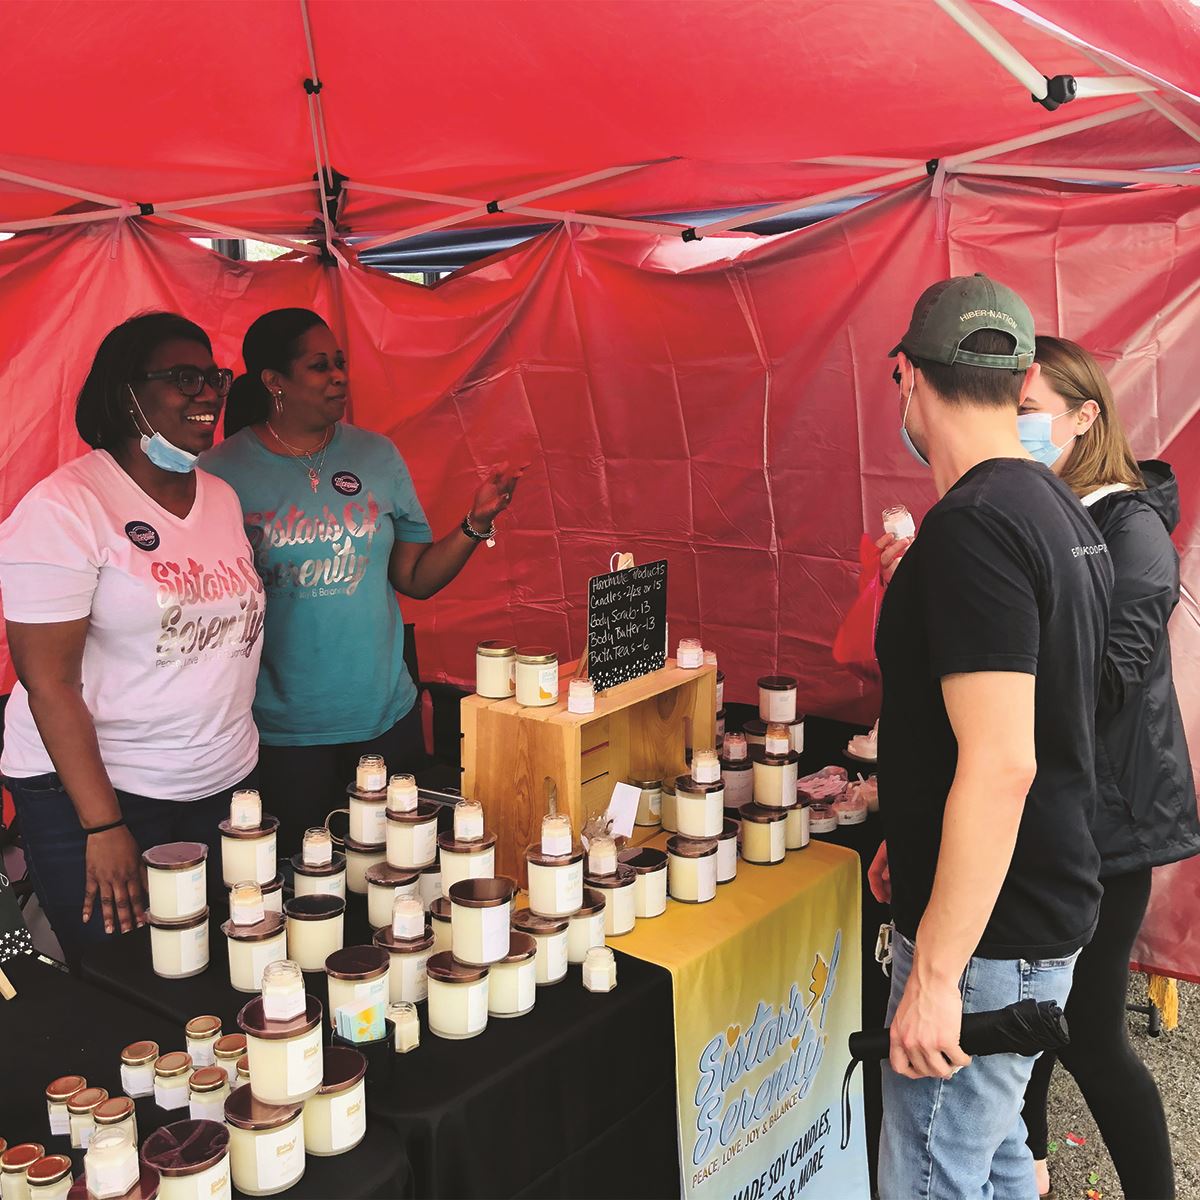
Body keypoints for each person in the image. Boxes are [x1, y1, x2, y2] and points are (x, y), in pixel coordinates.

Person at [867, 275, 1113, 1199]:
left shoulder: (972, 528)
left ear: (907, 378)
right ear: (1017, 382)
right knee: (1003, 1159)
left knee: (932, 1181)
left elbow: (1006, 760)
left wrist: (935, 974)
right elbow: (1039, 719)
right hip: (1032, 912)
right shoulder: (1055, 511)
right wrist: (923, 835)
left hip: (993, 943)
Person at [202, 308, 522, 852]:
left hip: (384, 719)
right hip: (284, 733)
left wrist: (476, 523)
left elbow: (415, 578)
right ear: (274, 382)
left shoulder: (376, 455)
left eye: (341, 363)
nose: (338, 377)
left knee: (398, 873)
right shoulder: (218, 473)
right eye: (319, 366)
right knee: (307, 887)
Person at [0, 313, 264, 964]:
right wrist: (103, 824)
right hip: (100, 795)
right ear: (126, 394)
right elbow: (48, 684)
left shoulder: (223, 499)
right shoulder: (65, 509)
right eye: (184, 378)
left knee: (215, 968)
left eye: (214, 376)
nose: (208, 392)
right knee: (130, 982)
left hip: (219, 779)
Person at [1014, 336, 1197, 1200]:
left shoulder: (1131, 529)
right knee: (1033, 1002)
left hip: (1107, 823)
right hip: (1048, 803)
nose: (1013, 426)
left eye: (1028, 410)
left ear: (1086, 417)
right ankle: (1032, 1164)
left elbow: (1111, 677)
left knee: (1087, 1025)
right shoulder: (1042, 507)